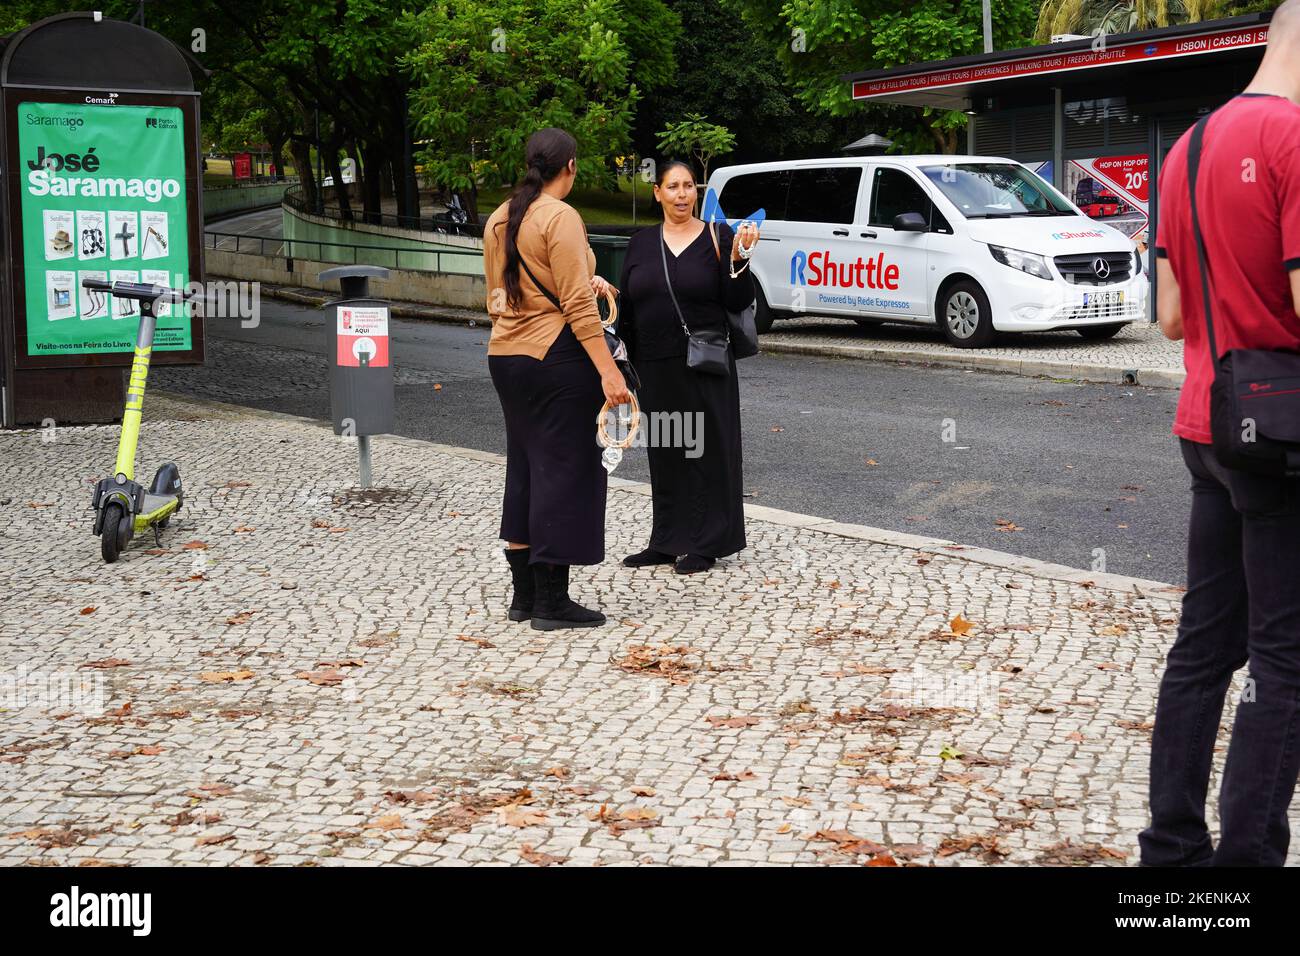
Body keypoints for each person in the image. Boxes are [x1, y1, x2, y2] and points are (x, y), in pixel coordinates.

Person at [1140, 0, 1300, 867]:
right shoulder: (1296, 141)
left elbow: (1168, 317)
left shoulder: (1187, 147)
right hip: (1282, 437)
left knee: (1204, 645)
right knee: (1285, 660)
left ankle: (1170, 853)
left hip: (1205, 424)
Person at [482, 128, 630, 630]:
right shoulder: (560, 216)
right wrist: (610, 374)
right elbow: (579, 309)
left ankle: (523, 598)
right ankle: (552, 602)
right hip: (557, 358)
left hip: (506, 355)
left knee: (525, 468)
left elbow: (498, 299)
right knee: (563, 472)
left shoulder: (500, 217)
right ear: (570, 166)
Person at [616, 160, 758, 575]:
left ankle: (706, 541)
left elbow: (736, 300)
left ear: (696, 192)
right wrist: (622, 364)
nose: (681, 194)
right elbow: (630, 303)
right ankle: (666, 540)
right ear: (657, 192)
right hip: (654, 364)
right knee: (666, 451)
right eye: (672, 187)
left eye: (688, 186)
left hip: (705, 362)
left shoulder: (719, 236)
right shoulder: (641, 242)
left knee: (706, 451)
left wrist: (740, 258)